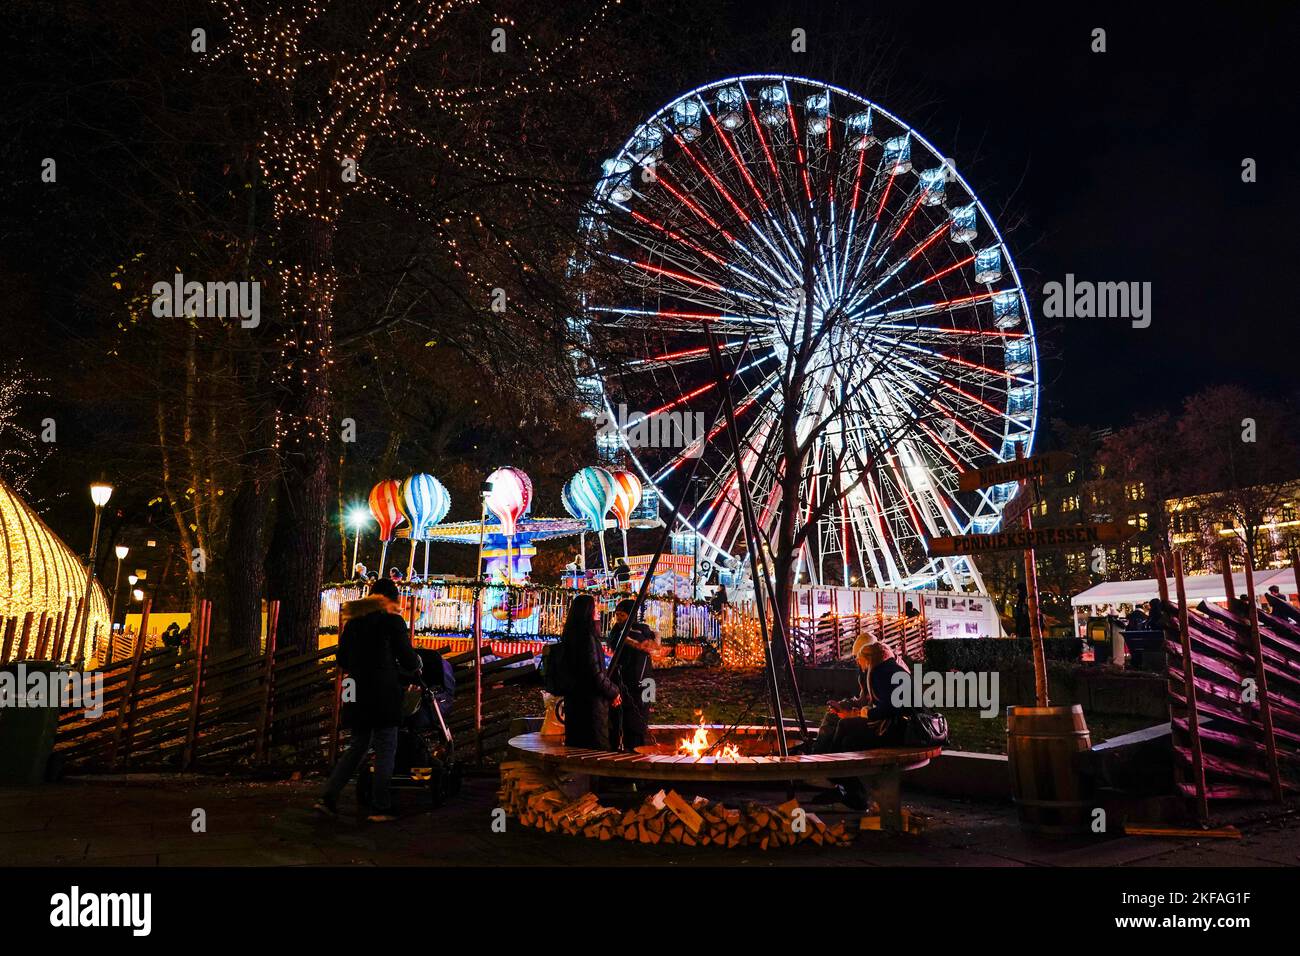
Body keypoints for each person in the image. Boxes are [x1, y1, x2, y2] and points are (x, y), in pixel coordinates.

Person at [315, 578, 421, 822]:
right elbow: (407, 658)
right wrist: (415, 664)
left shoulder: (353, 623)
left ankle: (327, 798)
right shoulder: (392, 621)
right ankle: (380, 807)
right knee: (385, 747)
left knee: (357, 746)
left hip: (356, 690)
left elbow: (342, 659)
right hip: (384, 692)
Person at [813, 636, 912, 810]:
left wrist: (864, 713)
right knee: (847, 741)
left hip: (893, 729)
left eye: (858, 659)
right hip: (891, 725)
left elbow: (891, 707)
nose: (858, 663)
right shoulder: (886, 666)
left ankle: (828, 768)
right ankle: (851, 792)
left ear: (867, 656)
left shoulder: (881, 672)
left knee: (844, 726)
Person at [559, 593, 621, 749]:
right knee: (596, 748)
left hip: (575, 702)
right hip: (591, 706)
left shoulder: (570, 635)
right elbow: (595, 674)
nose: (598, 611)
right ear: (588, 612)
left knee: (578, 747)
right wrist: (614, 691)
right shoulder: (588, 638)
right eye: (595, 608)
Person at [607, 598, 662, 751]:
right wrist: (636, 644)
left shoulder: (643, 629)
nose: (618, 618)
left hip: (644, 680)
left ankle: (637, 749)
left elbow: (655, 638)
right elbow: (619, 642)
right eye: (617, 614)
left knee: (639, 719)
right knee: (621, 719)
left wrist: (651, 644)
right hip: (624, 680)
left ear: (631, 615)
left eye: (622, 615)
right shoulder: (617, 632)